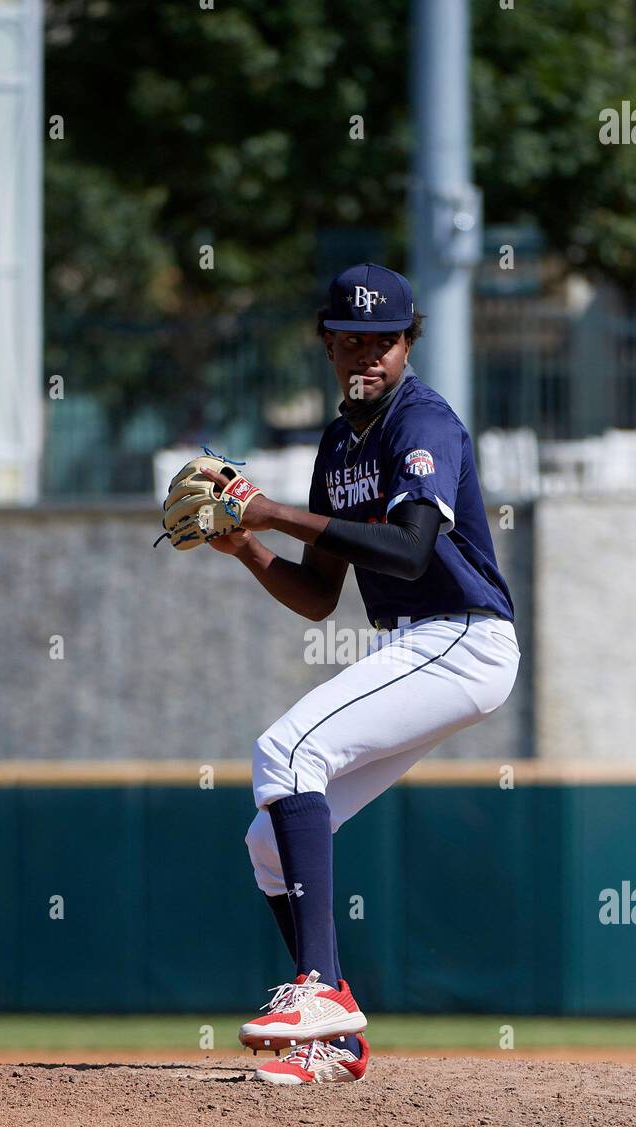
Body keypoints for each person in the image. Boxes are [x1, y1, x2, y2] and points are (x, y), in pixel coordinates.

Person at [201, 263, 520, 1084]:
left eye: (385, 340)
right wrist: (249, 546)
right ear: (328, 342)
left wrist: (269, 507)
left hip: (464, 634)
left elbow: (412, 552)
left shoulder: (423, 421)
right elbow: (316, 596)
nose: (367, 354)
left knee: (285, 751)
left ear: (409, 342)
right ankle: (335, 1042)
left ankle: (318, 993)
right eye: (352, 339)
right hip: (410, 644)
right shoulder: (338, 442)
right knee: (268, 844)